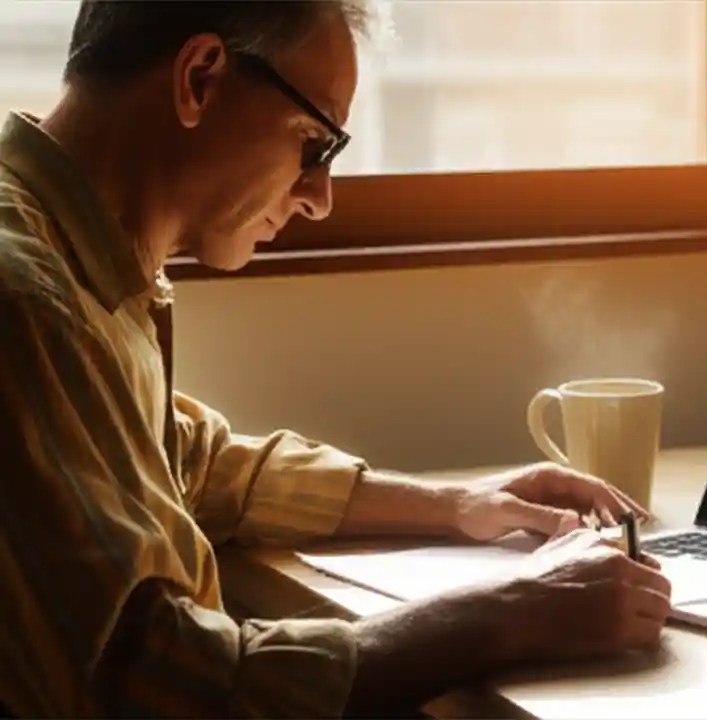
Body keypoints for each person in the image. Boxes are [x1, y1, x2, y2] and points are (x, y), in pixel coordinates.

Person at [0, 1, 672, 716]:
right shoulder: (30, 304)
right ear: (200, 79)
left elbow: (185, 461)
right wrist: (512, 613)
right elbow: (159, 680)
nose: (320, 199)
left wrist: (457, 503)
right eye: (314, 144)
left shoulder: (75, 263)